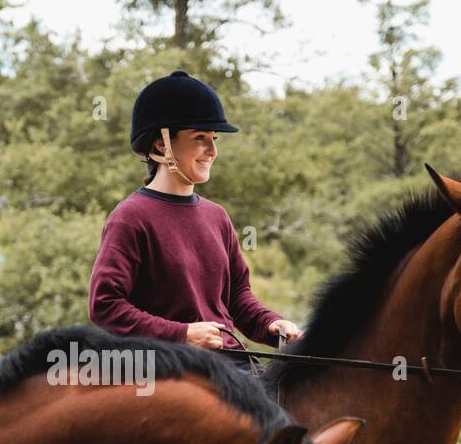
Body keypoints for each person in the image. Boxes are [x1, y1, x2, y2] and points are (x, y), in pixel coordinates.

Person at [88, 69, 302, 353]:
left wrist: (271, 323)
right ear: (162, 142)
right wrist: (182, 334)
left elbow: (236, 296)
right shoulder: (131, 217)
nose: (212, 150)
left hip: (231, 363)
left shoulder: (217, 217)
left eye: (215, 138)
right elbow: (105, 305)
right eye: (200, 137)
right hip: (170, 369)